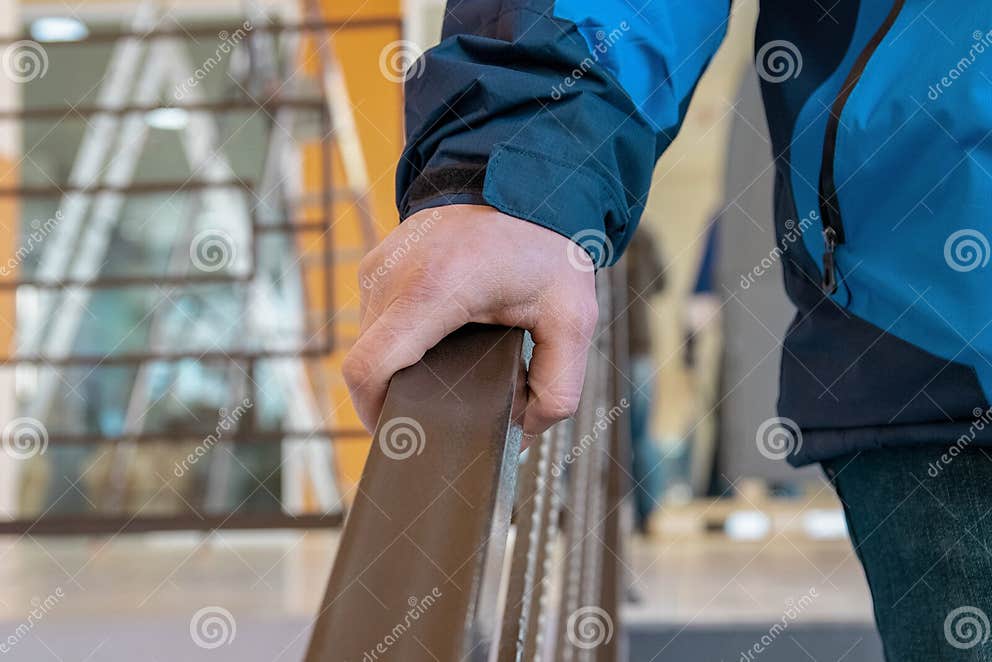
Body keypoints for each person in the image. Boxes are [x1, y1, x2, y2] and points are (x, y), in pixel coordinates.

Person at [343, 3, 992, 659]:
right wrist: (522, 169)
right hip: (936, 334)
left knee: (632, 434)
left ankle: (645, 518)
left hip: (916, 331)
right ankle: (650, 517)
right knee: (637, 432)